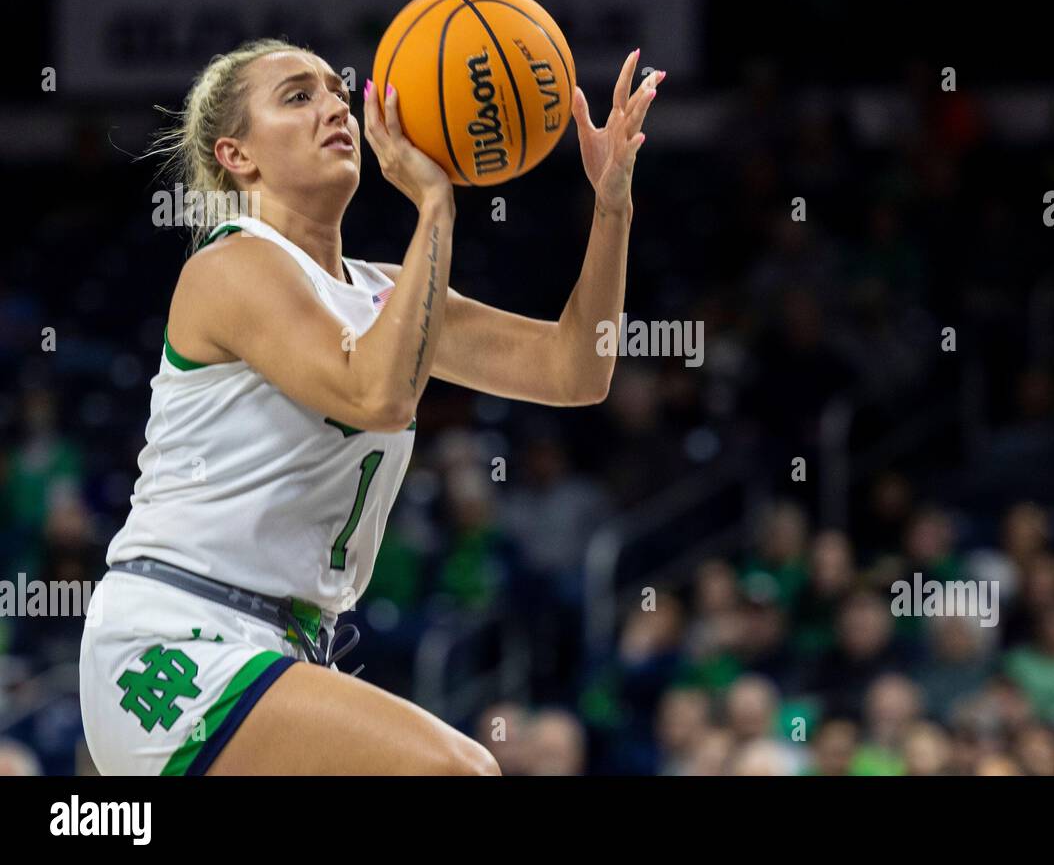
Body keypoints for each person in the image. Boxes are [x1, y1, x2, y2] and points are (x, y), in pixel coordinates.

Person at [78, 38, 663, 775]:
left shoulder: (383, 291)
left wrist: (612, 206)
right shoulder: (228, 265)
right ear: (238, 155)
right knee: (459, 771)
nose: (334, 107)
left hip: (285, 646)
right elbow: (377, 394)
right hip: (178, 638)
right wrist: (436, 204)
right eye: (297, 96)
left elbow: (577, 369)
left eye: (334, 90)